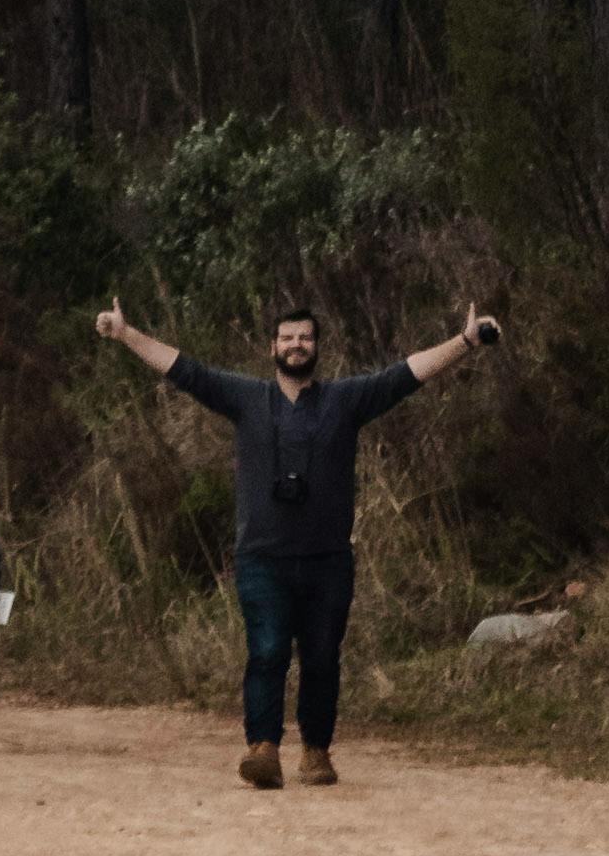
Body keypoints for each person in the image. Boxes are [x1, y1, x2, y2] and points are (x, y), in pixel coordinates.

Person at [96, 291, 496, 788]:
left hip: (328, 559)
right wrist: (125, 333)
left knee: (323, 656)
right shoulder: (246, 398)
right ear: (272, 348)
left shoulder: (345, 401)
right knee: (266, 651)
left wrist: (465, 342)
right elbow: (185, 370)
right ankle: (262, 748)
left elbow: (405, 375)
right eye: (287, 337)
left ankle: (316, 752)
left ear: (317, 347)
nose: (296, 344)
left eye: (305, 337)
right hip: (262, 558)